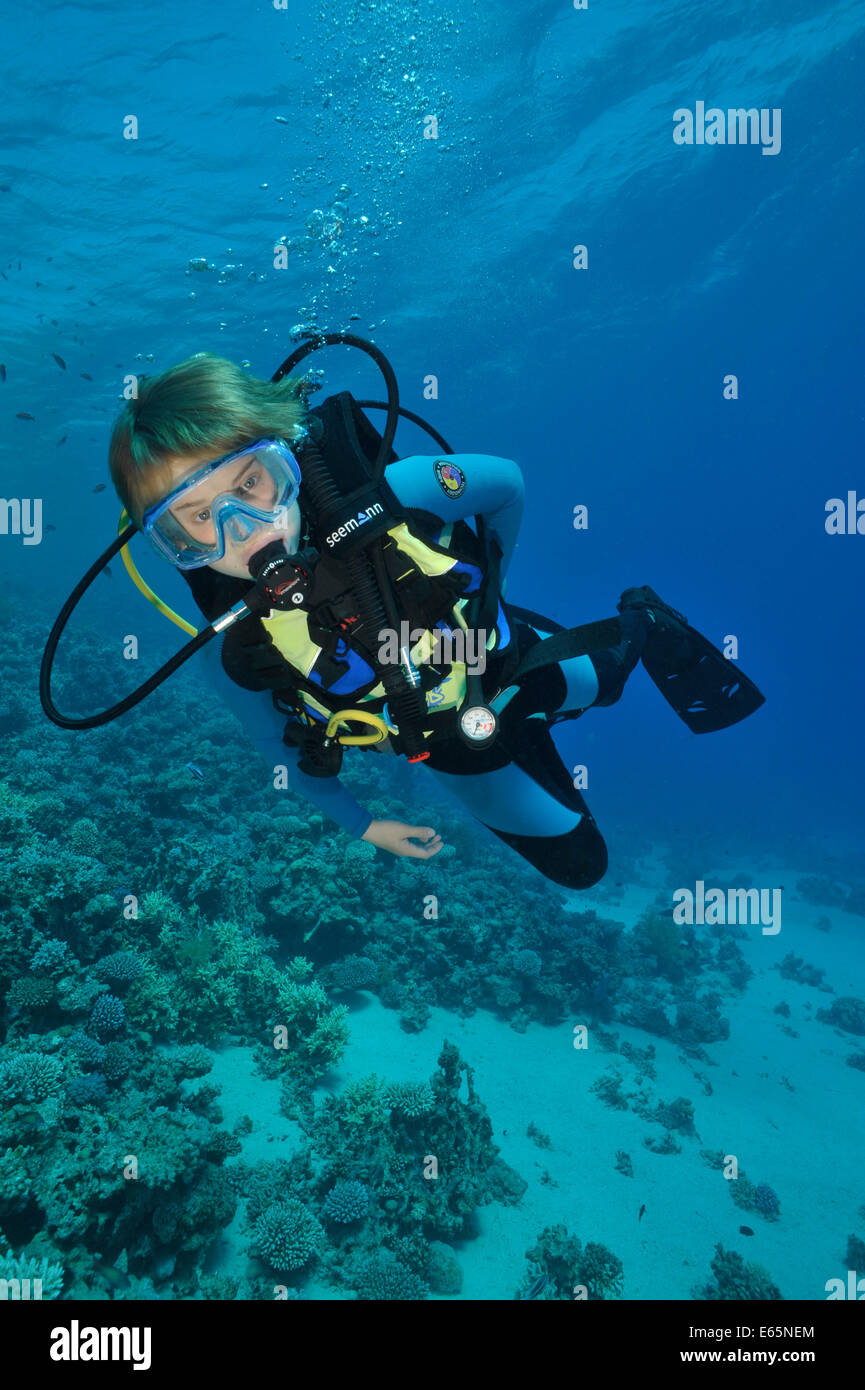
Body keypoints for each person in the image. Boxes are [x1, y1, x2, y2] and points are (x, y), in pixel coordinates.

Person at [101, 348, 764, 891]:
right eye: (196, 519)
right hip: (450, 746)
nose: (243, 530)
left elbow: (505, 483)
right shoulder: (232, 651)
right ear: (176, 547)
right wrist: (360, 825)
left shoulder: (402, 492)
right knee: (582, 868)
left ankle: (643, 617)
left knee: (612, 678)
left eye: (249, 484)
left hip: (513, 659)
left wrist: (492, 588)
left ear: (285, 456)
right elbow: (278, 747)